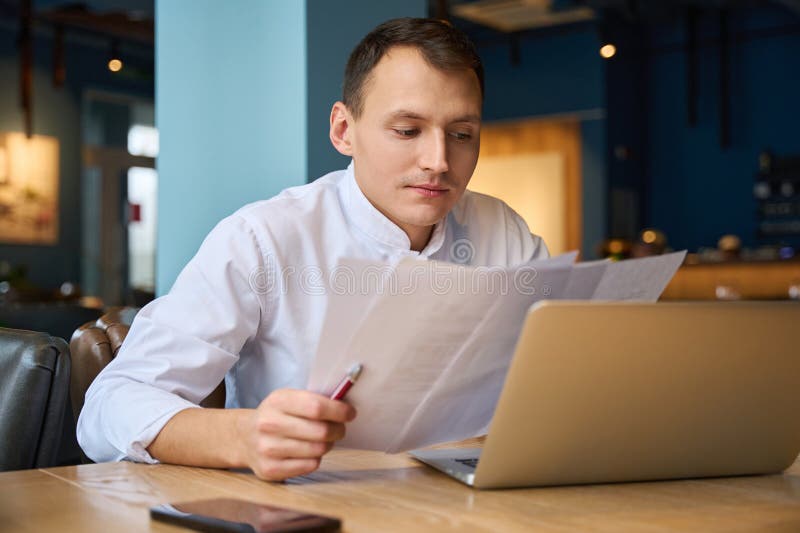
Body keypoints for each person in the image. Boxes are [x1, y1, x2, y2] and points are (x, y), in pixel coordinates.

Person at [77, 17, 549, 481]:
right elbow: (109, 406)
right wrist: (242, 436)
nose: (439, 161)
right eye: (407, 131)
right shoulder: (263, 238)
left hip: (478, 503)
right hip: (314, 506)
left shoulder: (501, 229)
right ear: (344, 130)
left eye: (462, 134)